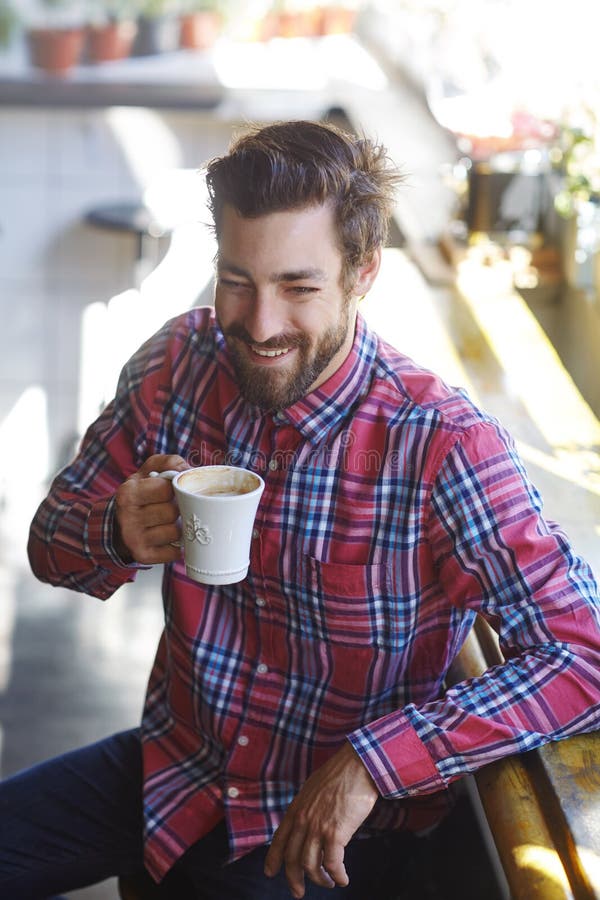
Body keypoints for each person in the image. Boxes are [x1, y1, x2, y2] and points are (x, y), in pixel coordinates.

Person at [2, 119, 599, 900]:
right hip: (175, 770)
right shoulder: (178, 361)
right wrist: (114, 530)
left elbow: (583, 657)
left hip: (325, 827)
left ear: (363, 274)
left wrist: (373, 762)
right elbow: (49, 548)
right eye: (238, 280)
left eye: (298, 287)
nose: (259, 324)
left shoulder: (440, 442)